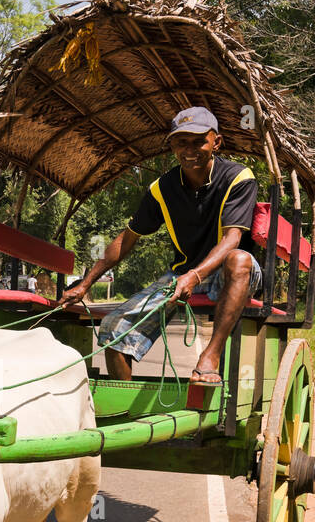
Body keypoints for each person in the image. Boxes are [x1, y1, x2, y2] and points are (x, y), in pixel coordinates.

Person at [58, 106, 262, 385]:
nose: (189, 150)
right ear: (172, 146)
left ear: (216, 142)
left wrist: (195, 275)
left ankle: (210, 357)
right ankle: (125, 409)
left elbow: (232, 239)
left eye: (198, 141)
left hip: (232, 275)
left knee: (238, 259)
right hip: (182, 275)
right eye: (181, 142)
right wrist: (85, 284)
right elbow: (128, 237)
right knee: (113, 328)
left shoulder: (238, 177)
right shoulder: (162, 189)